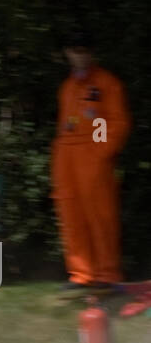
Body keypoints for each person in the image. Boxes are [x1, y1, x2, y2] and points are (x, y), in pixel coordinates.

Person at [52, 30, 131, 291]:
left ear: (91, 53)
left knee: (100, 215)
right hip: (67, 155)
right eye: (75, 51)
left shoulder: (106, 83)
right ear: (68, 54)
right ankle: (81, 273)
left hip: (92, 154)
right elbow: (68, 123)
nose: (80, 56)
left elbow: (116, 122)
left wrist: (100, 152)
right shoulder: (67, 87)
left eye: (84, 51)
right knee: (71, 215)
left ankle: (107, 273)